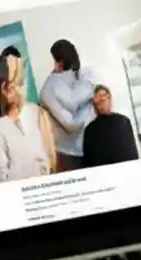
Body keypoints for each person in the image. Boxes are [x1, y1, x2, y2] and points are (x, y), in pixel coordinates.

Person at [0, 54, 56, 184]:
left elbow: (47, 159)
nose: (22, 87)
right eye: (18, 83)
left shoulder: (32, 115)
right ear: (5, 89)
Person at [39, 39, 96, 172]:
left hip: (86, 149)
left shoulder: (84, 77)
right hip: (67, 155)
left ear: (60, 62)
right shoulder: (50, 89)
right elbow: (70, 125)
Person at [83, 85, 141, 168]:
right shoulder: (89, 130)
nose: (101, 102)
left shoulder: (123, 121)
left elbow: (132, 152)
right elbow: (89, 162)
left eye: (103, 98)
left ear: (109, 99)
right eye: (97, 100)